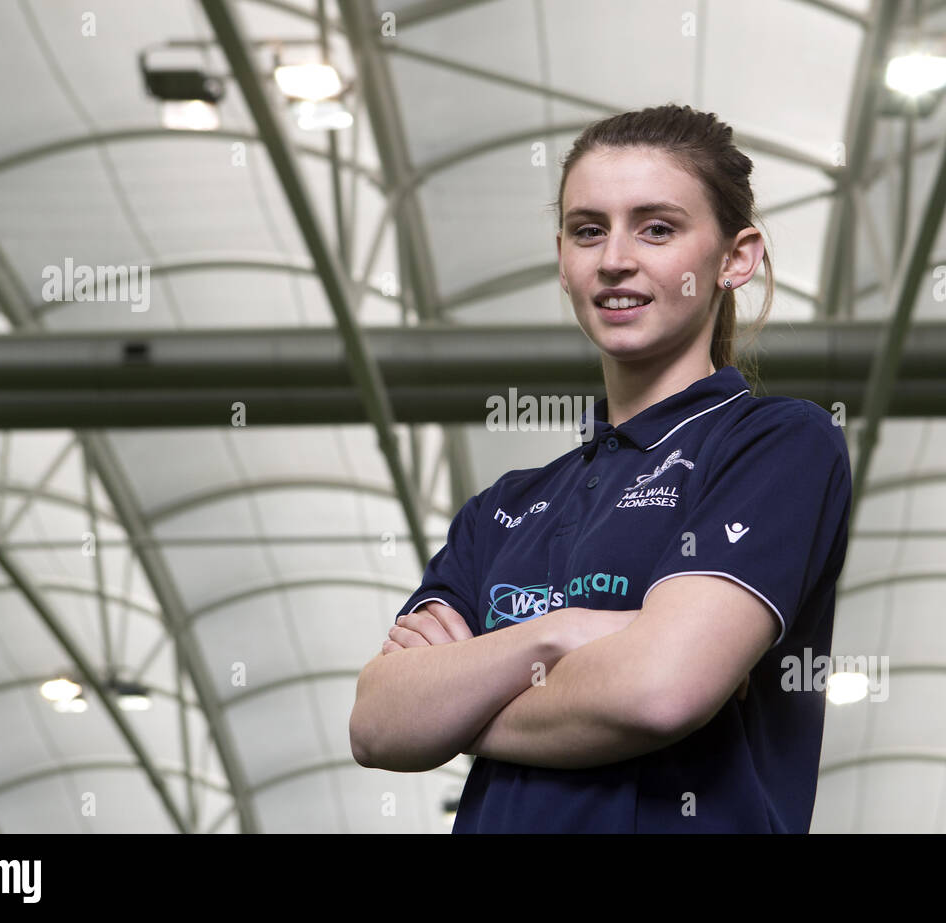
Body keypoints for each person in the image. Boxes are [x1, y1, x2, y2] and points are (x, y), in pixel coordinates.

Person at [349, 103, 852, 834]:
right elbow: (378, 721)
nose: (615, 257)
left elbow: (661, 690)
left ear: (736, 257)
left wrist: (462, 704)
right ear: (562, 256)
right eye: (589, 229)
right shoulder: (502, 510)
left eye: (657, 227)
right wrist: (561, 634)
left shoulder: (774, 445)